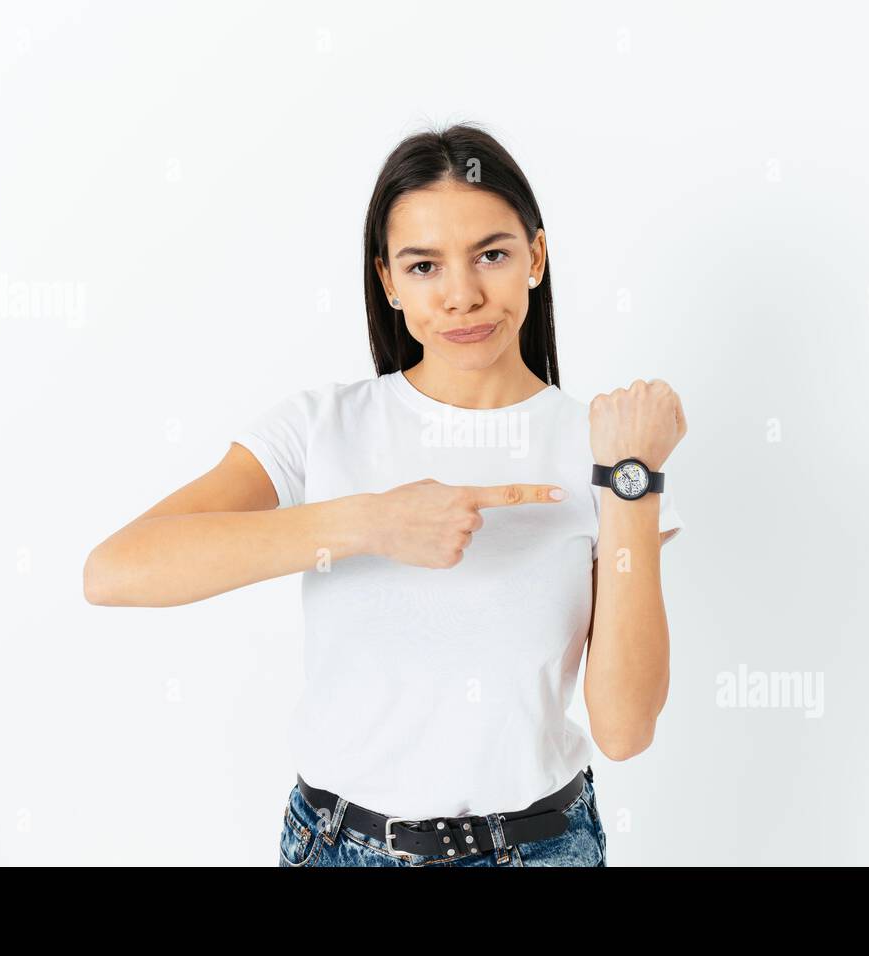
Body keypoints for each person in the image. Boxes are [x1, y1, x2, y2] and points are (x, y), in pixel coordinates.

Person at [84, 121, 687, 867]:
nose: (462, 296)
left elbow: (626, 731)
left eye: (491, 255)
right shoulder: (322, 426)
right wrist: (371, 523)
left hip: (538, 848)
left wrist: (631, 483)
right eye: (425, 266)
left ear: (535, 256)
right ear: (388, 282)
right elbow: (115, 570)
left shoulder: (601, 448)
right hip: (337, 845)